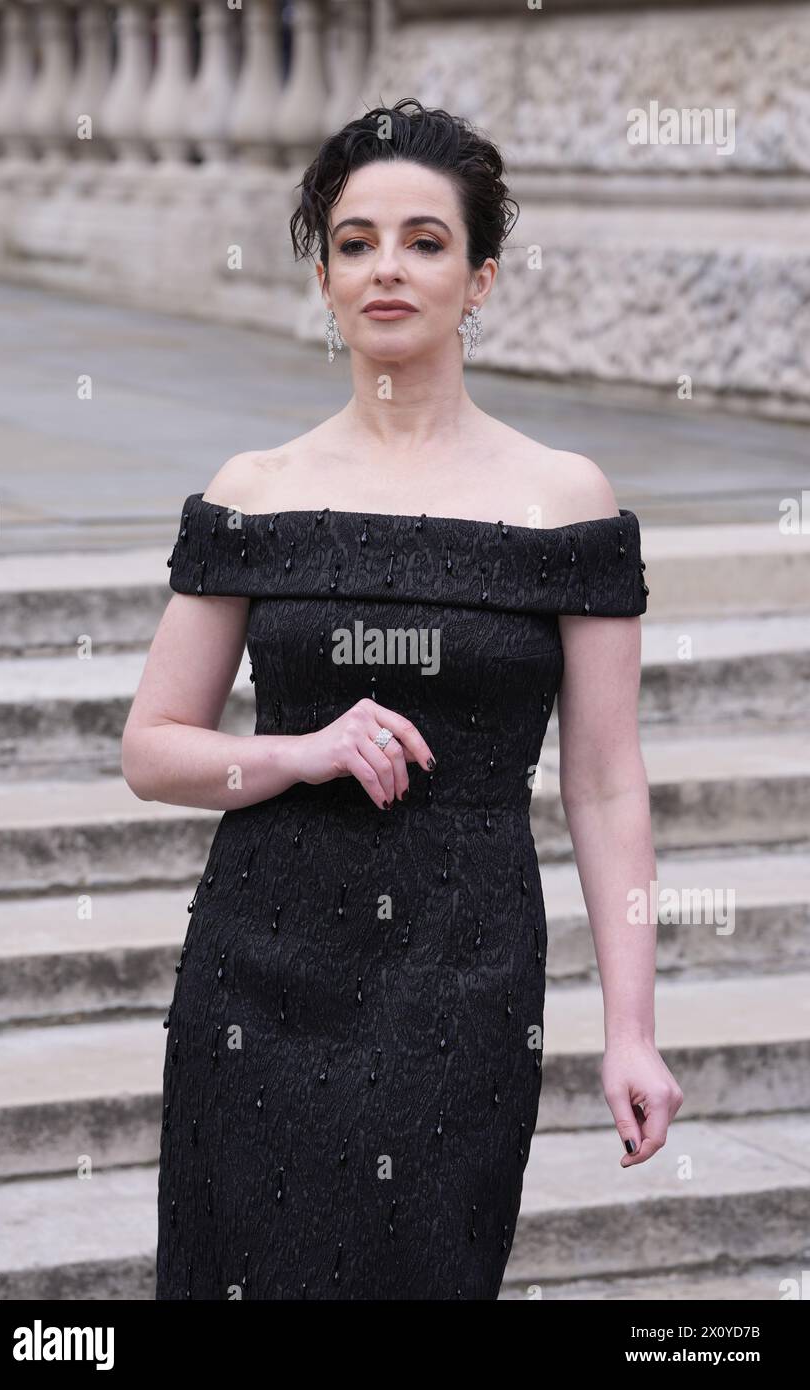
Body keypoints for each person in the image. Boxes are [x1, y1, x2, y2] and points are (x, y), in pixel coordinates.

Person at [122, 97, 683, 1301]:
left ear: (480, 277)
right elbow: (153, 750)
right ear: (322, 273)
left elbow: (605, 780)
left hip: (464, 976)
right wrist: (298, 751)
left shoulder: (563, 499)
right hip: (258, 975)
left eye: (425, 241)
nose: (388, 268)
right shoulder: (256, 491)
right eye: (356, 240)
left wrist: (628, 1027)